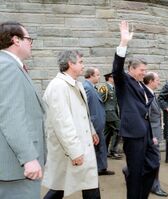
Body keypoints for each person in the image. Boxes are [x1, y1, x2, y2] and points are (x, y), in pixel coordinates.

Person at [42, 50, 101, 198]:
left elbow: (83, 113)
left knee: (89, 184)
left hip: (81, 143)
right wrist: (75, 151)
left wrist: (92, 130)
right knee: (60, 187)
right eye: (80, 62)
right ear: (70, 63)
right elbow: (62, 123)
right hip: (70, 148)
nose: (83, 65)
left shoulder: (77, 85)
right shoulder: (58, 86)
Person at [112, 20, 159, 199]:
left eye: (145, 70)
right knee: (136, 172)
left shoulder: (140, 85)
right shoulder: (124, 81)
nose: (143, 73)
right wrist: (123, 43)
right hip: (133, 134)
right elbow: (117, 70)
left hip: (145, 133)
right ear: (131, 69)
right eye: (141, 70)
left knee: (153, 164)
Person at [0, 21, 45, 199]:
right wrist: (28, 158)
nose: (30, 43)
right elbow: (11, 116)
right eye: (28, 39)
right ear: (16, 40)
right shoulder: (7, 67)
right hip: (16, 168)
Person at [83, 67, 115, 175]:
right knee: (97, 148)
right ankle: (97, 169)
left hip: (98, 123)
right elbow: (84, 107)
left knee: (101, 147)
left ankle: (101, 168)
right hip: (94, 124)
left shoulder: (92, 87)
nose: (99, 76)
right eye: (97, 75)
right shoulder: (86, 87)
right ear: (91, 75)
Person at [143, 72, 168, 197]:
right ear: (151, 81)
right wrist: (152, 136)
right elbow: (145, 118)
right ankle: (154, 186)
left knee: (145, 159)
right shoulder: (145, 94)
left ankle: (129, 173)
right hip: (151, 135)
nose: (159, 82)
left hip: (155, 132)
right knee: (155, 160)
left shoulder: (152, 93)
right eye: (157, 80)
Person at [99, 72, 122, 159]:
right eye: (113, 77)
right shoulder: (104, 88)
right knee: (119, 130)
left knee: (107, 133)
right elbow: (100, 100)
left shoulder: (113, 88)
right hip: (108, 113)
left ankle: (104, 152)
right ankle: (113, 151)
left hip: (113, 113)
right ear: (109, 78)